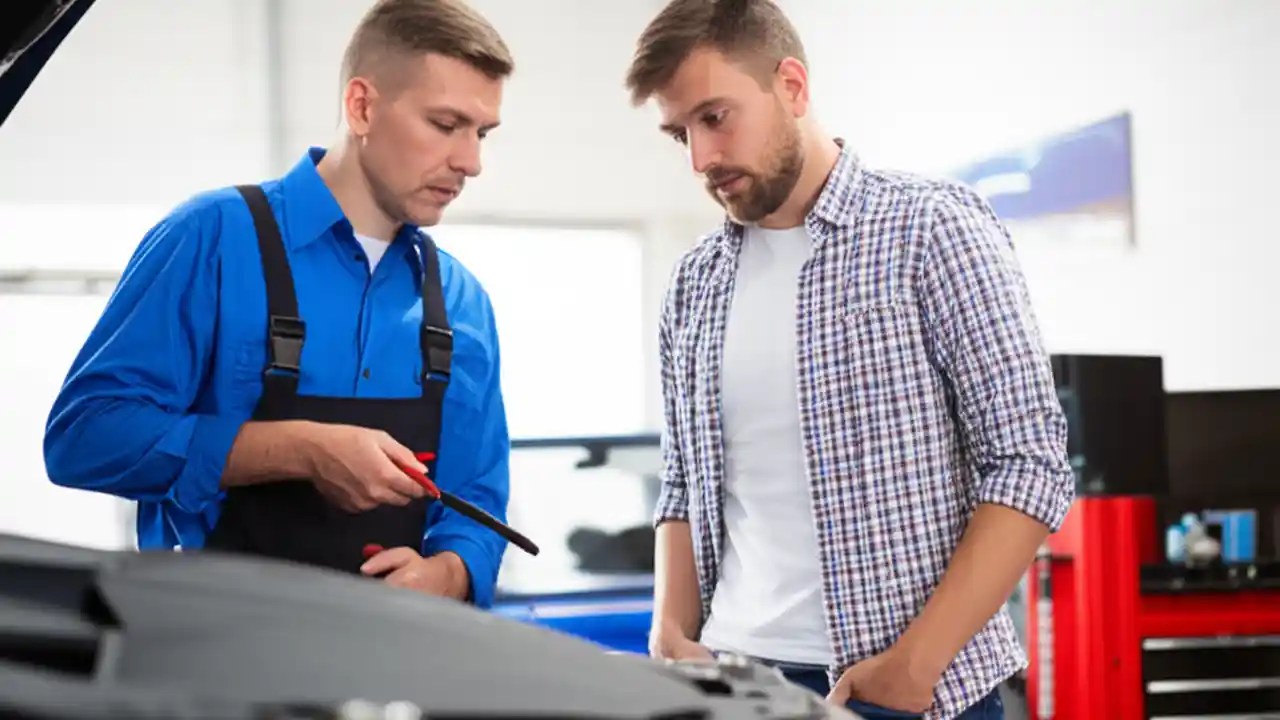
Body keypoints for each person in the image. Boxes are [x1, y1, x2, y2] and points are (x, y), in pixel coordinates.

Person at [625, 1, 1075, 718]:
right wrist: (669, 628)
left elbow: (1029, 461)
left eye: (715, 117)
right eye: (680, 133)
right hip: (734, 681)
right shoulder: (693, 284)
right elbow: (682, 480)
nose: (700, 159)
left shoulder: (931, 230)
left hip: (906, 688)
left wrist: (915, 664)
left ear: (792, 87)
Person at [43, 0, 515, 608]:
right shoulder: (210, 240)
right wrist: (297, 450)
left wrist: (451, 571)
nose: (470, 161)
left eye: (482, 134)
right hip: (216, 660)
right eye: (446, 125)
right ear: (362, 106)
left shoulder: (461, 301)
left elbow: (477, 496)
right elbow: (84, 438)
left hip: (393, 664)